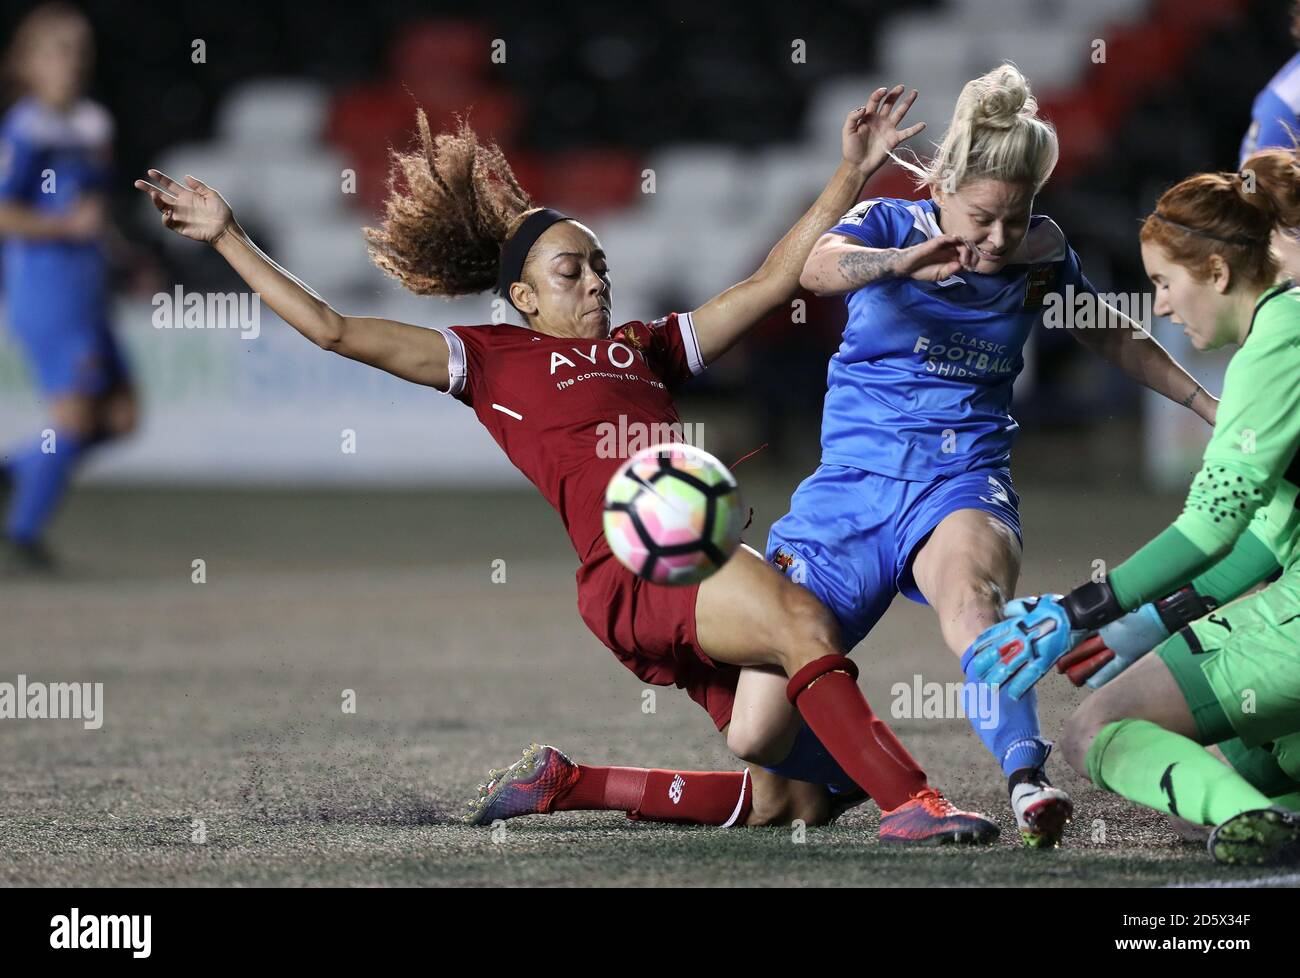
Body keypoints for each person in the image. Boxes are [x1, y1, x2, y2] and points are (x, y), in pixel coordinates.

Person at [136, 86, 998, 842]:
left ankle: (566, 783)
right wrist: (228, 239)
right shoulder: (492, 359)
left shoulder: (644, 347)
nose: (595, 282)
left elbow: (775, 282)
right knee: (802, 622)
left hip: (665, 565)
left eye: (601, 267)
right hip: (646, 558)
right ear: (522, 296)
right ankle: (912, 802)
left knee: (787, 802)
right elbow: (334, 328)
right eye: (570, 269)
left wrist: (851, 171)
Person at [752, 63, 1216, 847]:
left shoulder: (1038, 251)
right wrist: (900, 265)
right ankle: (859, 778)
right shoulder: (891, 226)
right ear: (942, 190)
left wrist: (1207, 405)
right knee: (757, 734)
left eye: (1016, 217)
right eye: (980, 219)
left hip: (961, 481)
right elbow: (813, 268)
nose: (997, 240)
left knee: (973, 607)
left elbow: (1107, 331)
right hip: (849, 492)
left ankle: (1026, 780)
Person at [969, 148, 1300, 866]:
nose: (1161, 305)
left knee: (1096, 731)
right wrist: (1148, 614)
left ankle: (1261, 826)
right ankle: (1258, 807)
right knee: (1205, 788)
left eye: (1164, 282)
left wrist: (1079, 610)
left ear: (1216, 272)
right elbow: (1270, 540)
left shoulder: (1277, 345)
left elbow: (1215, 525)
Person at [0, 2, 136, 571]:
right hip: (47, 288)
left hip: (89, 288)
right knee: (76, 418)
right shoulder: (25, 130)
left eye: (79, 51)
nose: (72, 63)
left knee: (122, 417)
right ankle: (25, 532)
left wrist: (122, 250)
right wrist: (62, 227)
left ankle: (15, 472)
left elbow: (92, 207)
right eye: (58, 51)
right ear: (29, 63)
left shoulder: (92, 124)